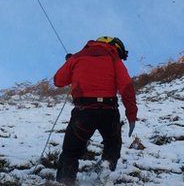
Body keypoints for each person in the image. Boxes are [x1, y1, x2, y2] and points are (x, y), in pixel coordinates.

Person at [52, 36, 138, 184]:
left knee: (71, 152)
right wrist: (131, 115)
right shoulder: (113, 58)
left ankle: (65, 181)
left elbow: (58, 81)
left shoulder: (77, 57)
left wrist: (70, 63)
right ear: (114, 47)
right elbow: (127, 88)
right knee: (112, 145)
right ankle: (100, 176)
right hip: (109, 111)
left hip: (83, 111)